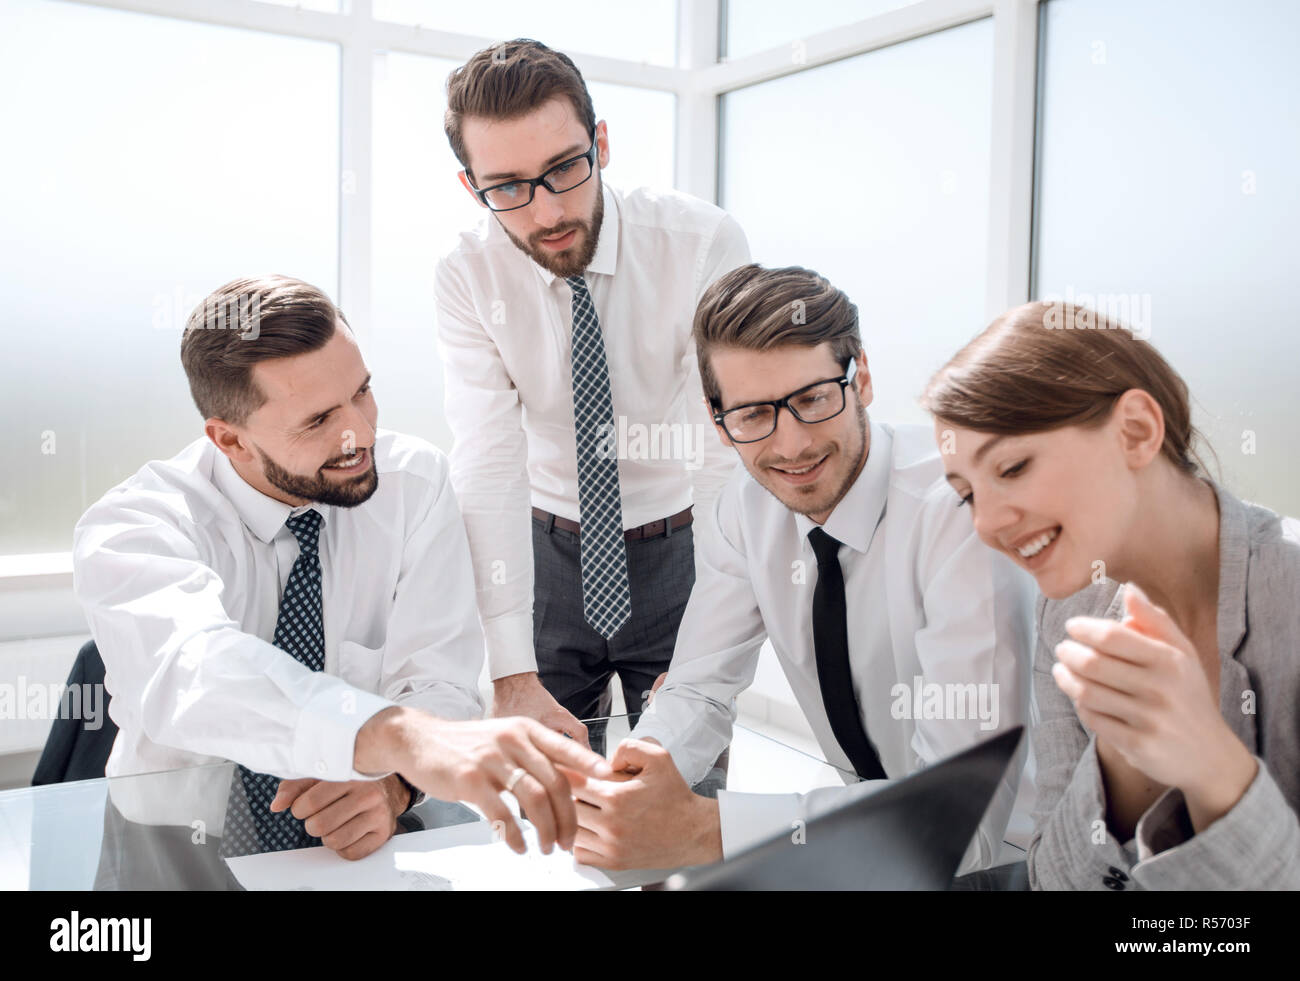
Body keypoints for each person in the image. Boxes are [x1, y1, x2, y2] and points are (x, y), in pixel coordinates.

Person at [73, 275, 610, 865]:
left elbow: (437, 680)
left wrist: (394, 783)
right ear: (230, 440)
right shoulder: (135, 526)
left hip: (352, 853)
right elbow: (196, 672)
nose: (360, 433)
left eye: (362, 392)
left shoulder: (414, 486)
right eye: (318, 420)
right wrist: (398, 739)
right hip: (172, 845)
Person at [565, 264, 1034, 872]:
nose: (791, 447)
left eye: (812, 399)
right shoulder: (745, 504)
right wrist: (638, 773)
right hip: (858, 842)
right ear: (718, 420)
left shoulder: (959, 513)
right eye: (754, 415)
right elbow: (700, 688)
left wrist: (705, 831)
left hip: (1015, 865)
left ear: (860, 377)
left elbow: (959, 829)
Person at [921, 299, 1300, 889]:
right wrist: (1121, 758)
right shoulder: (1069, 613)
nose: (987, 523)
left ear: (1136, 431)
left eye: (1014, 467)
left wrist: (1213, 769)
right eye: (967, 494)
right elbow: (1052, 879)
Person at [435, 39, 750, 747]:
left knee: (681, 798)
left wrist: (708, 631)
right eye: (508, 187)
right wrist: (508, 670)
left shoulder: (700, 242)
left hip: (682, 545)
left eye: (564, 169)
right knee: (548, 806)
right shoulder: (465, 274)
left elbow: (724, 446)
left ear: (600, 143)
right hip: (542, 554)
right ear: (472, 187)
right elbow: (486, 459)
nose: (546, 212)